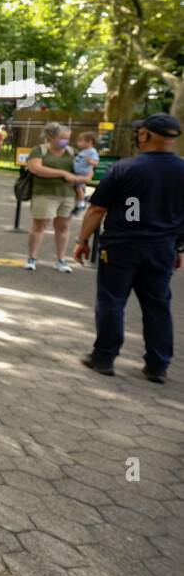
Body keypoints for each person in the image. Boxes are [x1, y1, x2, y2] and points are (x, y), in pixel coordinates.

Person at [74, 114, 184, 383]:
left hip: (122, 246)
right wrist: (178, 247)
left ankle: (104, 358)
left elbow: (97, 208)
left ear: (145, 135)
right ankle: (158, 365)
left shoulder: (126, 168)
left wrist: (82, 241)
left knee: (112, 301)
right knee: (158, 305)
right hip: (161, 249)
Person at [24, 123, 86, 272]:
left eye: (68, 138)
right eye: (62, 138)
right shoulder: (39, 150)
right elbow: (36, 168)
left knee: (63, 227)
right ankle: (32, 258)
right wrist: (63, 173)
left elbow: (83, 169)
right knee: (39, 225)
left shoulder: (72, 152)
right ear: (51, 137)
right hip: (44, 193)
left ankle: (61, 259)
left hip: (67, 194)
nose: (65, 141)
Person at [71, 131, 100, 214]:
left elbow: (96, 162)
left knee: (78, 188)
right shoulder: (84, 151)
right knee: (77, 188)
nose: (78, 143)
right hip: (77, 172)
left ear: (90, 142)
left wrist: (90, 161)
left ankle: (81, 203)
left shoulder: (92, 151)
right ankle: (81, 199)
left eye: (81, 141)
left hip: (82, 173)